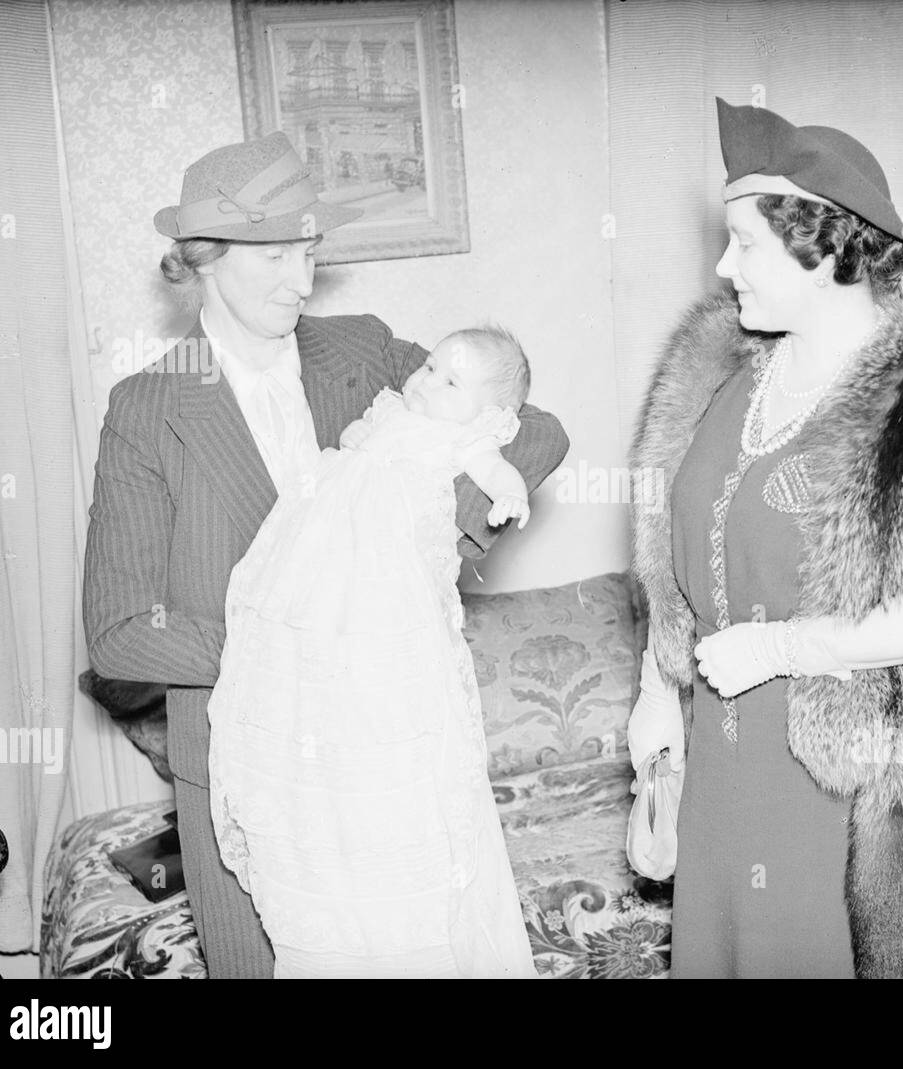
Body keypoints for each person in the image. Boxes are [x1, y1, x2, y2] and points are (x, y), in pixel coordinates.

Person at [82, 133, 569, 978]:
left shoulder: (362, 348)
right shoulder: (146, 407)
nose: (301, 281)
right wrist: (296, 642)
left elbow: (531, 425)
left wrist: (416, 540)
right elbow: (120, 634)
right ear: (202, 258)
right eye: (274, 256)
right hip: (247, 774)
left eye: (309, 252)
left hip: (387, 771)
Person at [627, 99, 903, 978]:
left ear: (824, 252)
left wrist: (782, 645)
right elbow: (673, 563)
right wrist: (658, 694)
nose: (723, 265)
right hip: (719, 766)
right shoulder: (725, 368)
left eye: (746, 243)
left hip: (833, 777)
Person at [207, 327, 537, 978]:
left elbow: (492, 463)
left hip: (385, 599)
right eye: (433, 365)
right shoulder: (389, 413)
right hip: (316, 570)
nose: (427, 379)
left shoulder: (459, 437)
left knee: (389, 721)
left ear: (487, 411)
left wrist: (509, 488)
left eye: (451, 382)